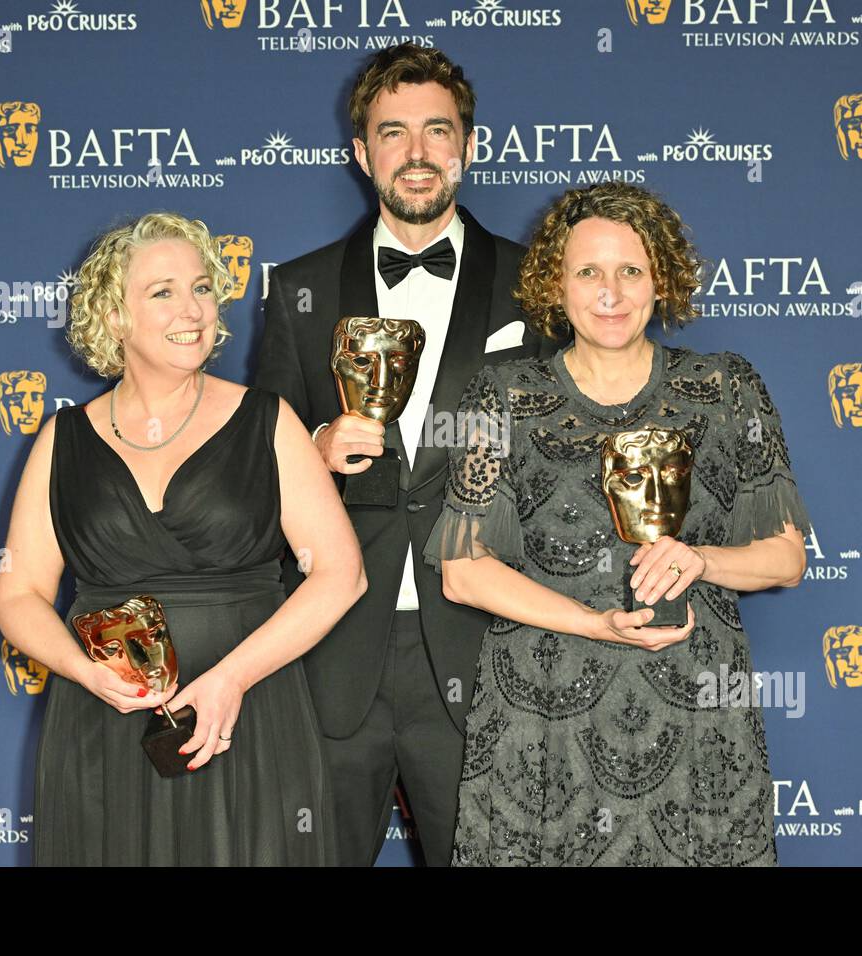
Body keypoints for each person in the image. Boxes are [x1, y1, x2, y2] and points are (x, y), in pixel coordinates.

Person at [424, 181, 812, 866]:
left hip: (694, 711)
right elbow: (463, 571)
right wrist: (595, 624)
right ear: (555, 283)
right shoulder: (503, 395)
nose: (611, 291)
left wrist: (703, 561)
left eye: (631, 270)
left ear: (660, 279)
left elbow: (786, 557)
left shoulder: (726, 388)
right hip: (544, 717)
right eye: (588, 272)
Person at [254, 43, 557, 867]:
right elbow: (255, 469)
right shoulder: (300, 290)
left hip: (489, 639)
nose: (417, 153)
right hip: (332, 646)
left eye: (437, 130)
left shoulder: (539, 286)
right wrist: (313, 448)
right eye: (393, 132)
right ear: (362, 153)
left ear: (468, 145)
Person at [0, 211, 365, 865]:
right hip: (105, 729)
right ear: (113, 318)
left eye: (200, 287)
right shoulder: (64, 441)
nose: (192, 308)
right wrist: (85, 672)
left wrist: (231, 680)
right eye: (162, 292)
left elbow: (340, 573)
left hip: (247, 718)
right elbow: (20, 592)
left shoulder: (266, 422)